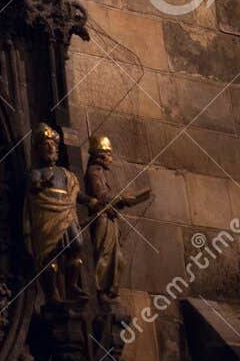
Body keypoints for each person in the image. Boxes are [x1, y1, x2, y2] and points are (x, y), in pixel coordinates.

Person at [82, 134, 151, 298]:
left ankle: (110, 290)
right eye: (109, 155)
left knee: (119, 259)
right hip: (102, 219)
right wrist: (122, 198)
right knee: (104, 255)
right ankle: (98, 290)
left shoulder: (101, 173)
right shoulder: (94, 172)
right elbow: (101, 197)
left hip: (110, 218)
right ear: (100, 156)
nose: (111, 159)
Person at [23, 123, 85, 301]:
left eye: (53, 145)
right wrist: (42, 184)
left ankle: (72, 285)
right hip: (47, 214)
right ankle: (52, 294)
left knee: (77, 244)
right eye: (46, 145)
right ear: (39, 150)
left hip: (66, 212)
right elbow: (33, 186)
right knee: (50, 252)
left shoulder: (64, 173)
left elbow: (75, 192)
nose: (51, 148)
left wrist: (91, 201)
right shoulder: (38, 172)